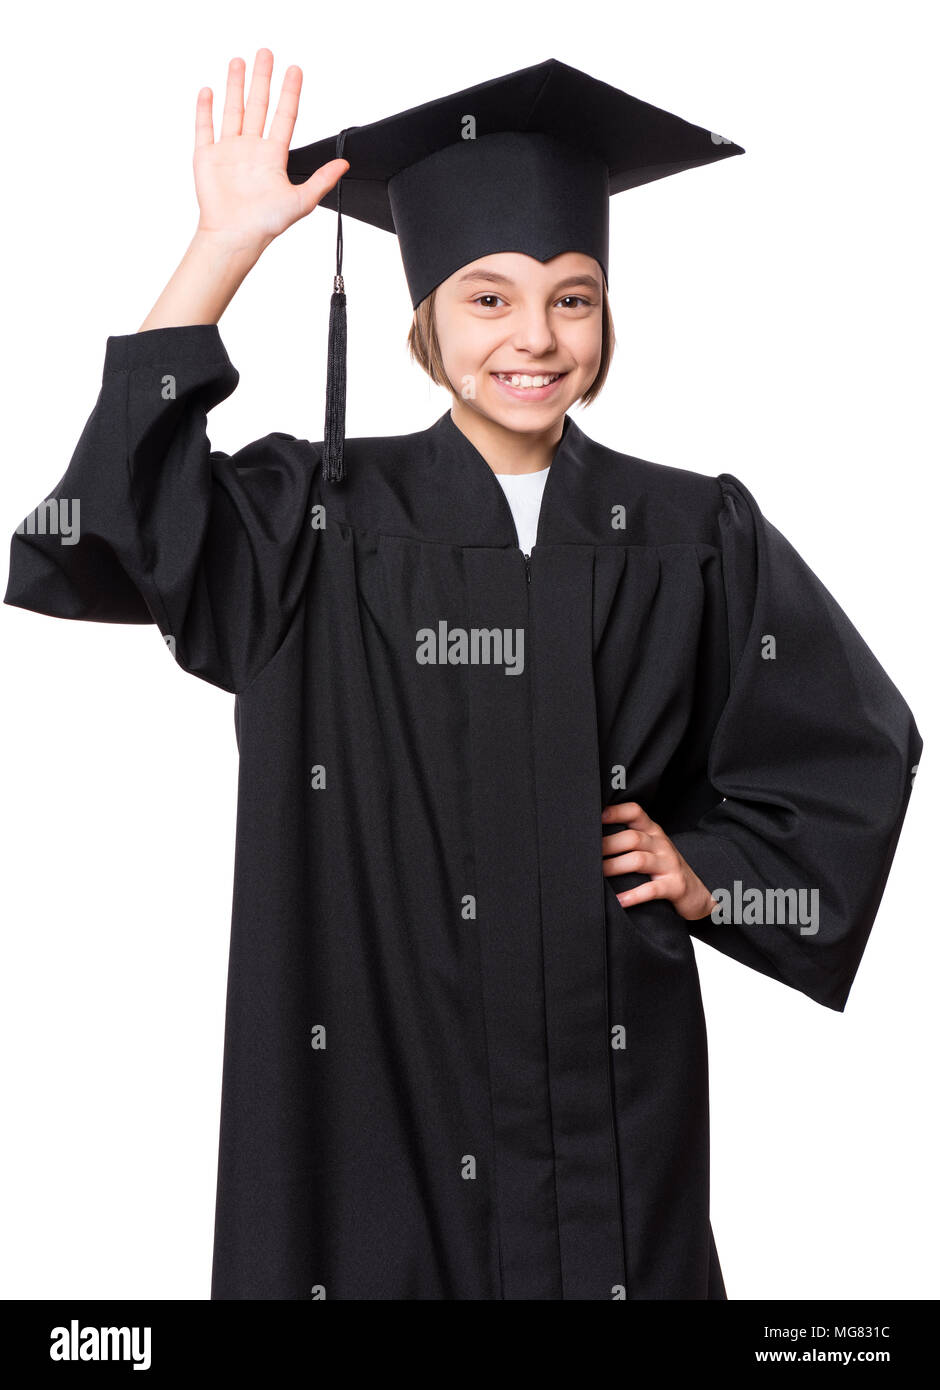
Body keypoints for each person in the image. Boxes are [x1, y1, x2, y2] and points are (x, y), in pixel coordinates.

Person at [4, 51, 923, 1300]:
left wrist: (719, 879)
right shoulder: (310, 521)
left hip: (611, 1096)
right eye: (487, 300)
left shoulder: (691, 529)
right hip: (373, 1088)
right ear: (424, 318)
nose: (535, 338)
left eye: (573, 298)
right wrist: (219, 252)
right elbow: (95, 533)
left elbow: (850, 744)